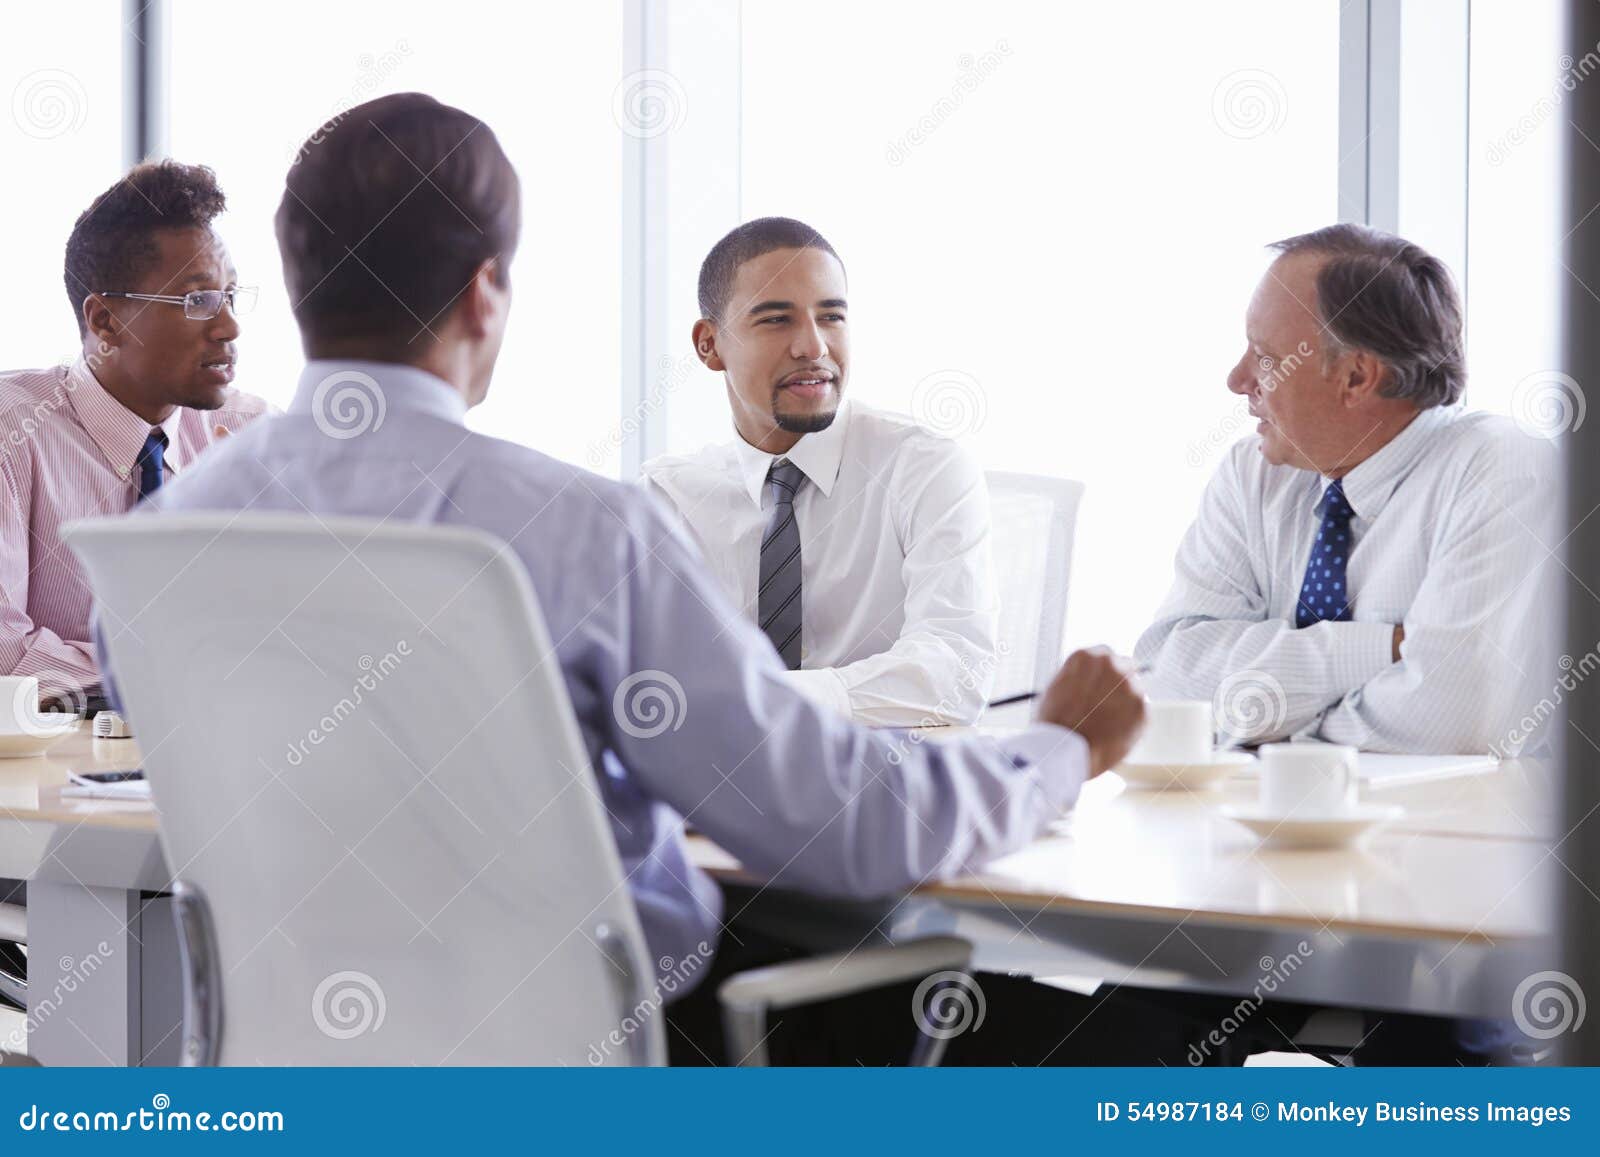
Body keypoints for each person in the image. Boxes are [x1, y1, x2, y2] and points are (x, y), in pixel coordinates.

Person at [100, 95, 1147, 1061]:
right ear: (485, 290)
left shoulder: (160, 543)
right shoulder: (582, 531)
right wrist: (1056, 750)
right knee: (1131, 1038)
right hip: (614, 1048)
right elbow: (848, 821)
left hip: (297, 1064)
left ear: (291, 286)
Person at [1135, 224, 1557, 756]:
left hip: (1453, 831)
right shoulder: (1255, 473)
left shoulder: (1502, 470)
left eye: (1264, 356)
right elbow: (1167, 675)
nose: (1238, 379)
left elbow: (1457, 721)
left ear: (1356, 377)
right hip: (1269, 825)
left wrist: (1278, 735)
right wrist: (1382, 649)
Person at [641, 218, 998, 726]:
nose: (813, 347)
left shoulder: (923, 467)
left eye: (831, 317)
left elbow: (955, 670)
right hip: (714, 791)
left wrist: (765, 702)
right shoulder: (668, 498)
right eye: (775, 320)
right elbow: (641, 674)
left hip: (887, 783)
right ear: (709, 345)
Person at [0, 160, 266, 704]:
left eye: (232, 296)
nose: (230, 326)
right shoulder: (13, 432)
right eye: (199, 300)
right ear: (105, 322)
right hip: (52, 779)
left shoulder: (252, 435)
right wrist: (181, 666)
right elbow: (7, 656)